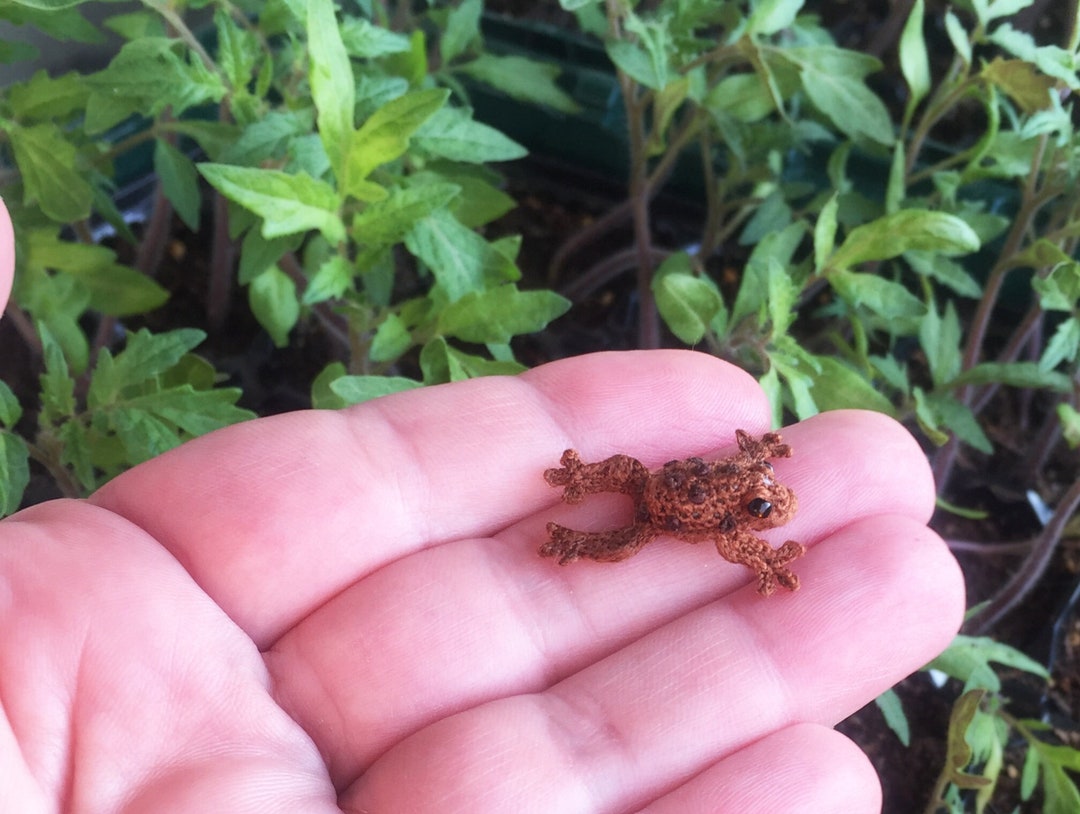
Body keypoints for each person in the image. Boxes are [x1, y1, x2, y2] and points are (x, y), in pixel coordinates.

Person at [0, 194, 963, 812]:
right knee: (619, 521)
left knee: (626, 489)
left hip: (659, 494)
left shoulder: (745, 507)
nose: (767, 517)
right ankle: (576, 522)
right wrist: (752, 547)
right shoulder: (720, 526)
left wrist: (766, 520)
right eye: (764, 511)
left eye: (763, 506)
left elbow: (747, 515)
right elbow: (724, 533)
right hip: (658, 503)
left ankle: (581, 505)